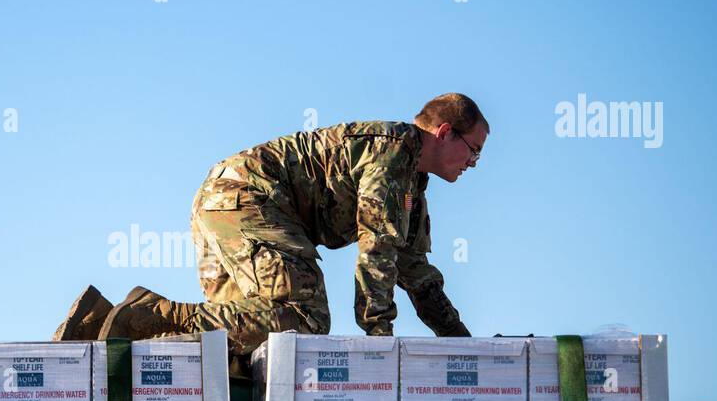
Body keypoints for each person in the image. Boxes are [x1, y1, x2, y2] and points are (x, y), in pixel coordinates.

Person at [53, 93, 487, 355]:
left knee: (243, 344)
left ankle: (101, 325)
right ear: (445, 131)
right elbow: (376, 253)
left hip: (223, 202)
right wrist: (379, 344)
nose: (473, 163)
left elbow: (419, 278)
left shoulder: (412, 187)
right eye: (473, 150)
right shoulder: (394, 154)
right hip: (247, 199)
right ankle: (151, 314)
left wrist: (468, 351)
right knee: (305, 317)